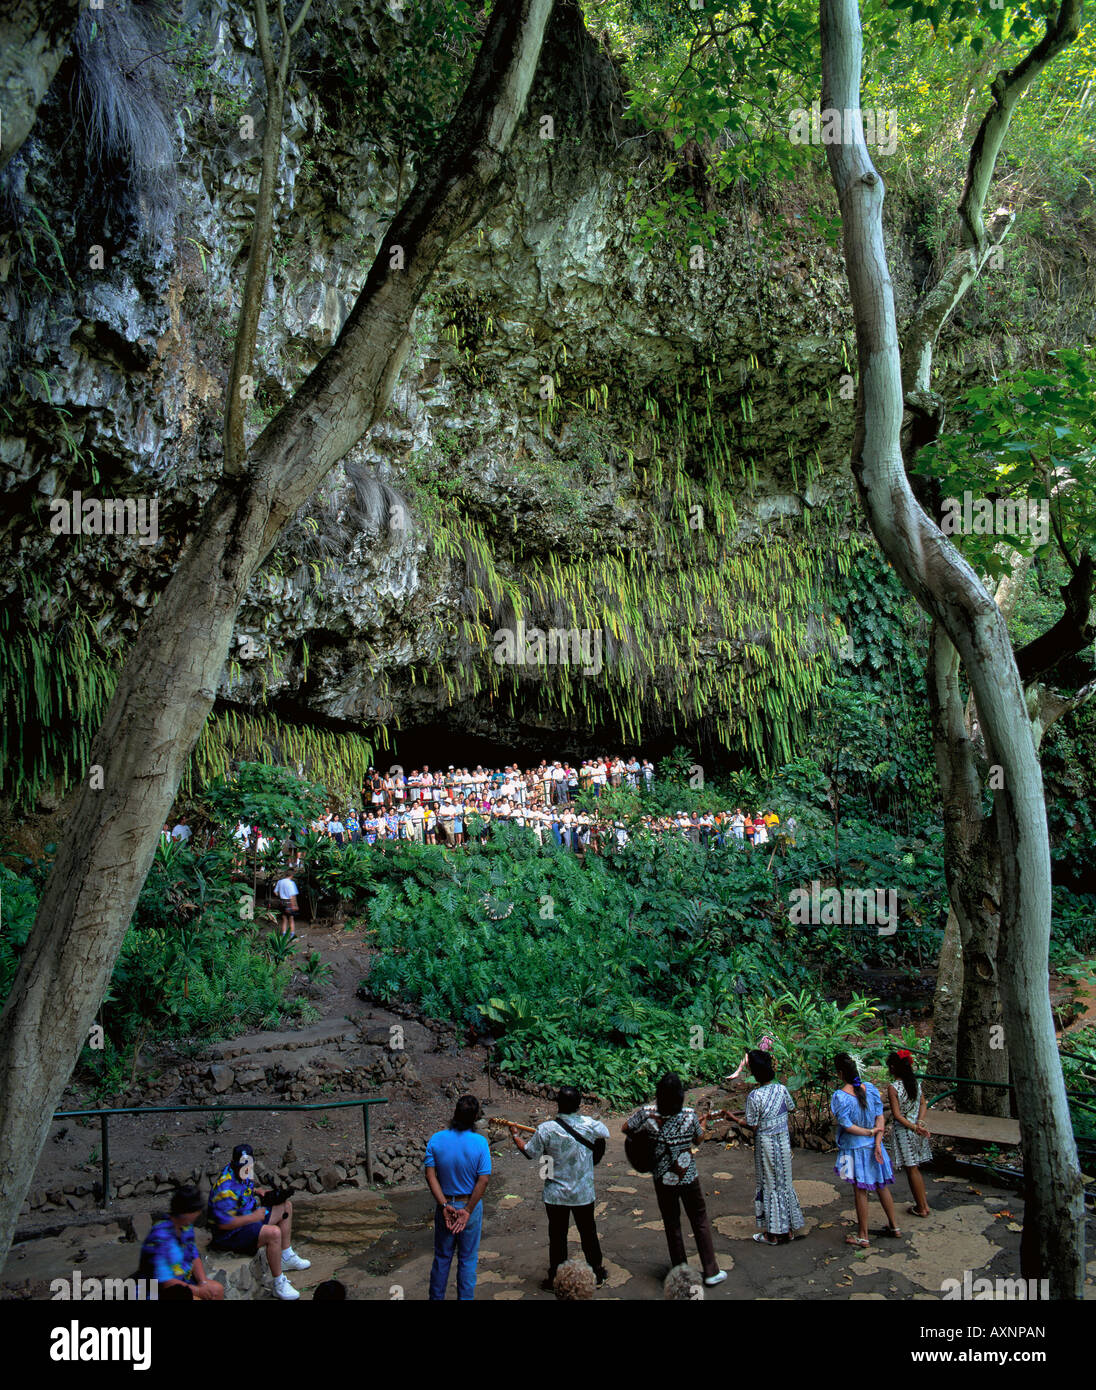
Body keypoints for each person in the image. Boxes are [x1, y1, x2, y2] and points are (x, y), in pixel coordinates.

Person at [622, 1073, 726, 1286]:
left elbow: (626, 1128)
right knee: (699, 1220)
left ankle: (681, 1274)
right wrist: (703, 1124)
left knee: (672, 1224)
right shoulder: (689, 1115)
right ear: (680, 1095)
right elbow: (699, 1139)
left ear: (659, 1094)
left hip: (662, 1178)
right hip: (688, 1176)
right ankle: (711, 1270)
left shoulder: (647, 1113)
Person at [510, 1086, 610, 1290]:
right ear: (579, 1105)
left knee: (557, 1237)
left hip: (555, 1194)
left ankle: (557, 1277)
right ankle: (596, 1273)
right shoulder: (590, 1125)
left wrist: (515, 1136)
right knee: (588, 1232)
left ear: (558, 1104)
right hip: (582, 1193)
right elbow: (605, 1133)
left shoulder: (546, 1129)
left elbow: (530, 1152)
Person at [207, 1143, 311, 1299]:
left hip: (249, 1219)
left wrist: (258, 1191)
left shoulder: (244, 1170)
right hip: (230, 1235)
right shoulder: (225, 1189)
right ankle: (278, 1283)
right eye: (242, 1167)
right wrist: (253, 1217)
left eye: (248, 1166)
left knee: (286, 1206)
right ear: (234, 1164)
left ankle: (286, 1256)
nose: (246, 1170)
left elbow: (245, 1188)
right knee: (273, 1233)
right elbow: (224, 1224)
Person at [727, 1050, 805, 1245]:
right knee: (784, 1182)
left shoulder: (754, 1096)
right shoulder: (781, 1089)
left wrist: (735, 1118)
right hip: (783, 1141)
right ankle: (786, 1230)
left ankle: (772, 1234)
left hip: (766, 1144)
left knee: (769, 1183)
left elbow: (752, 1124)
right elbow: (791, 1107)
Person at [424, 1095, 492, 1300]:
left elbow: (430, 1175)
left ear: (454, 1113)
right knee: (467, 1259)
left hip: (445, 1206)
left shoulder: (436, 1139)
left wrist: (444, 1204)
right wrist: (468, 1210)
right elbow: (483, 1180)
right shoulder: (480, 1142)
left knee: (442, 1258)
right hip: (469, 1205)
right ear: (475, 1118)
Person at [831, 1052, 901, 1246]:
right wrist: (877, 1141)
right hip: (874, 1147)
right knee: (881, 1185)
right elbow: (880, 1117)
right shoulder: (869, 1088)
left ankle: (863, 1235)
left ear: (839, 1073)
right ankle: (894, 1225)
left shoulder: (840, 1096)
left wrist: (869, 1133)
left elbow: (846, 1125)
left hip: (855, 1149)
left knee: (860, 1190)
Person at [138, 1185, 223, 1299]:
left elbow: (194, 1256)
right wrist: (197, 1291)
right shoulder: (160, 1237)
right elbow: (165, 1281)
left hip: (184, 1281)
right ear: (186, 1212)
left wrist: (203, 1283)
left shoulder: (186, 1227)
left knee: (217, 1289)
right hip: (161, 1290)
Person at [885, 1049, 932, 1217]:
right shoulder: (915, 1084)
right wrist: (919, 1122)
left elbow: (897, 1115)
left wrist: (913, 1127)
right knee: (915, 1168)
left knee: (912, 1169)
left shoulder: (894, 1088)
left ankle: (921, 1207)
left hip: (905, 1131)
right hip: (916, 1130)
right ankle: (923, 1204)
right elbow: (923, 1104)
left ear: (893, 1067)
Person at [273, 869, 299, 939]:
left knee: (284, 919)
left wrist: (280, 896)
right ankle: (292, 935)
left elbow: (275, 892)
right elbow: (292, 896)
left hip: (282, 902)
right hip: (289, 902)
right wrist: (294, 905)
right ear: (292, 875)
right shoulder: (291, 883)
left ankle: (284, 935)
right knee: (291, 919)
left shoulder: (280, 882)